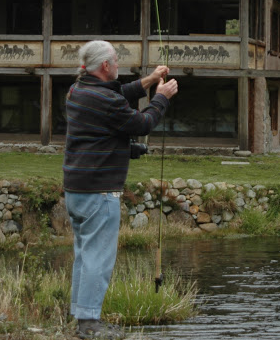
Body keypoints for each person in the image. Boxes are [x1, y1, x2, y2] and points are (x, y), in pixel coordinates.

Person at [63, 40, 178, 339]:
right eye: (116, 61)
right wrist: (161, 97)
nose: (118, 65)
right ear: (105, 66)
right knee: (97, 259)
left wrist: (149, 81)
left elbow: (117, 95)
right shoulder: (104, 100)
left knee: (84, 255)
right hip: (99, 192)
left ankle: (79, 316)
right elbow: (141, 123)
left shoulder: (78, 91)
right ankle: (88, 325)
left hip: (77, 189)